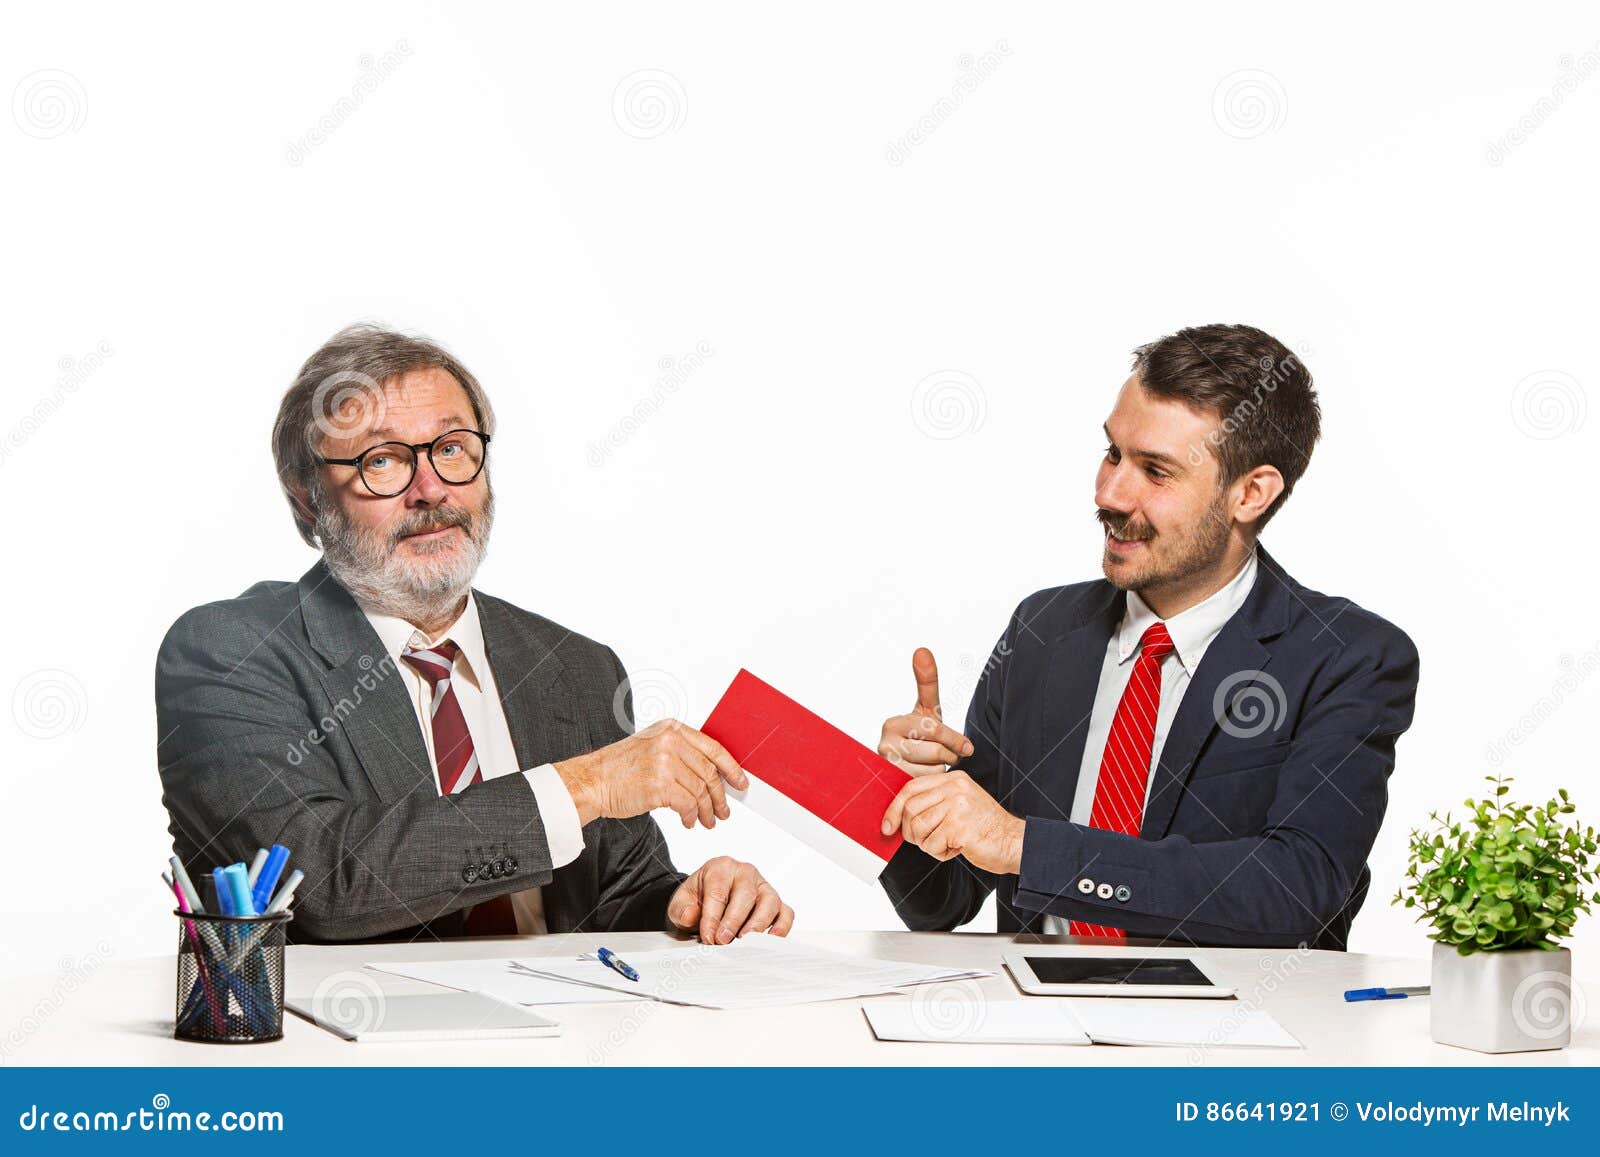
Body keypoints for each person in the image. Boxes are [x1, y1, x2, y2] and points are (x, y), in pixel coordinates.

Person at [156, 324, 793, 944]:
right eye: (381, 461)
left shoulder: (575, 667)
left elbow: (615, 899)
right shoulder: (232, 653)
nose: (431, 490)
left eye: (452, 448)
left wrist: (688, 906)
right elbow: (317, 885)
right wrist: (586, 785)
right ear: (306, 497)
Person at [875, 324, 1419, 948]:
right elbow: (941, 904)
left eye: (1155, 471)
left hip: (1231, 1036)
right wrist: (906, 799)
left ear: (1251, 493)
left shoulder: (1347, 658)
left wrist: (1024, 846)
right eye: (1113, 454)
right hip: (1033, 1026)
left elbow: (1296, 888)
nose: (1109, 493)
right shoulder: (1041, 632)